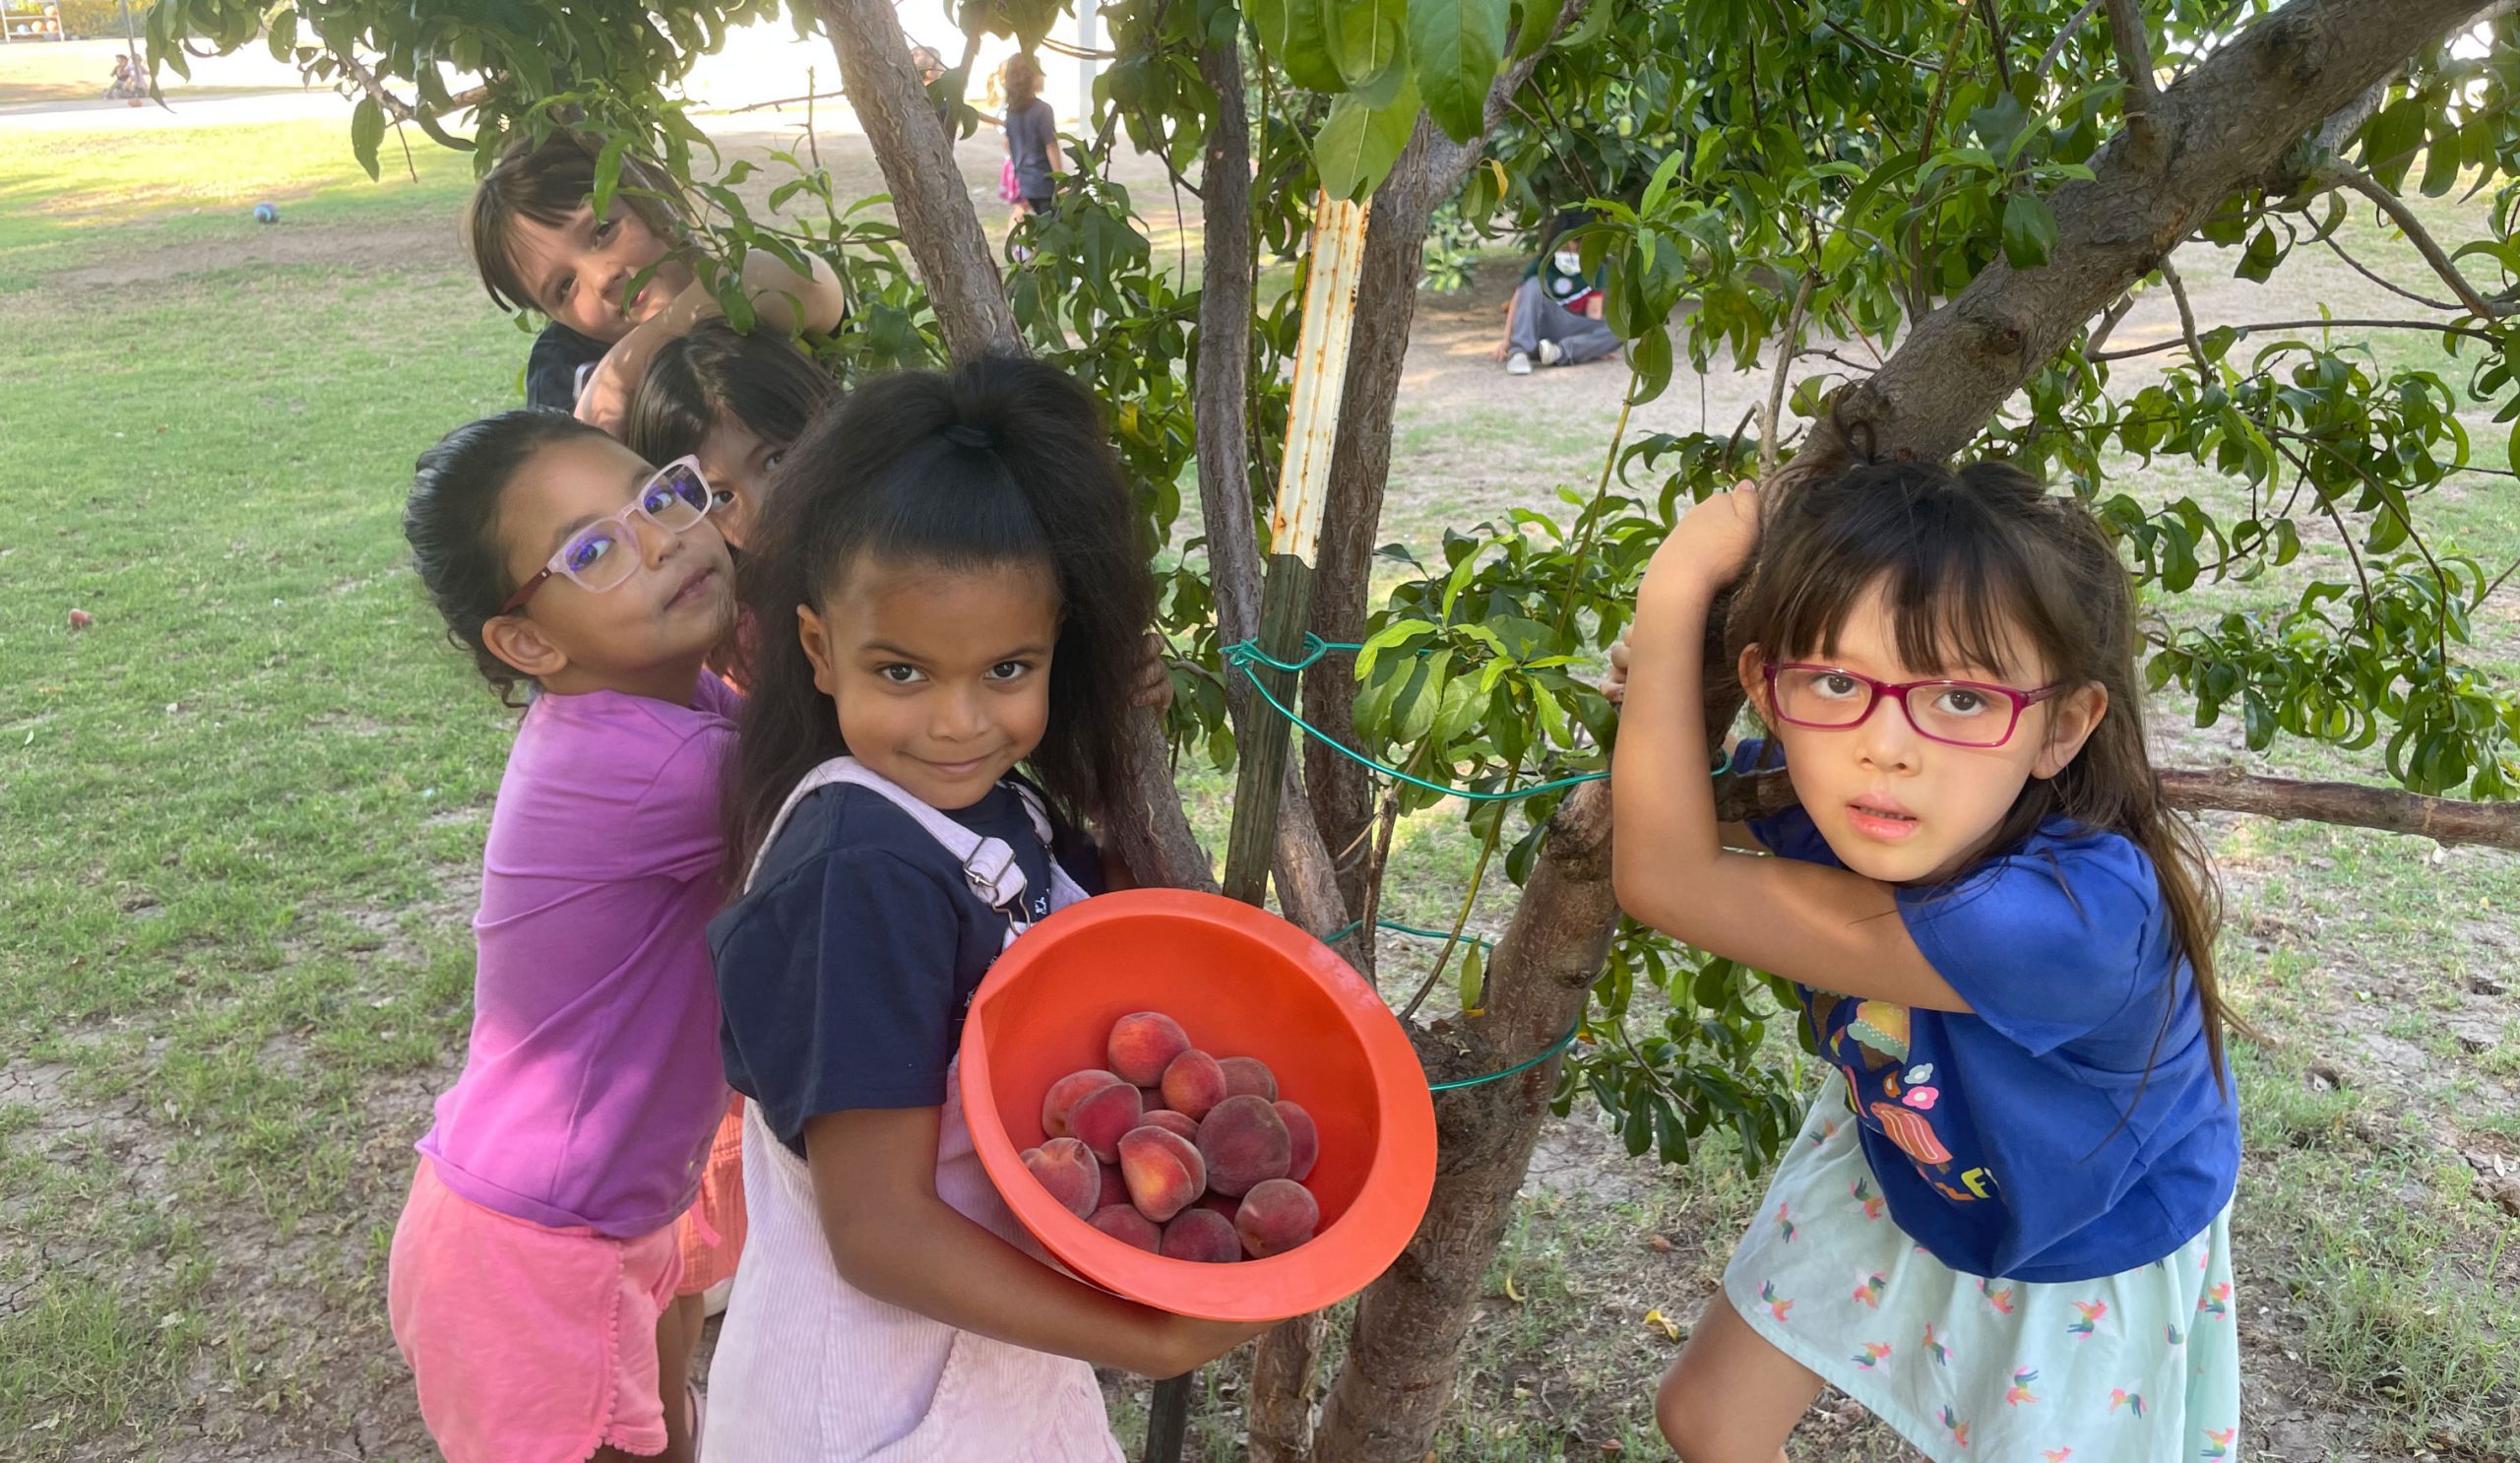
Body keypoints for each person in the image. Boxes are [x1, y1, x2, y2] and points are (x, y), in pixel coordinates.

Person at [1612, 457, 2240, 1462]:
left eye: (1958, 698)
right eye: (1834, 680)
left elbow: (1667, 875)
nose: (1886, 748)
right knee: (1709, 1420)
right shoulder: (1834, 792)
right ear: (1767, 693)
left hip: (2086, 1237)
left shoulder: (2071, 922)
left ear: (2062, 725)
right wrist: (1658, 680)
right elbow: (1681, 798)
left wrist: (1678, 578)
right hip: (1915, 1147)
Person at [699, 359, 1268, 1459]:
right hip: (870, 1401)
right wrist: (1141, 1338)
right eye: (901, 671)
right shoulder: (858, 873)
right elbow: (879, 1234)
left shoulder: (984, 807)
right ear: (818, 649)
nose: (958, 721)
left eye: (1007, 667)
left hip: (988, 1366)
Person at [386, 412, 746, 1463]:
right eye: (592, 550)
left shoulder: (674, 702)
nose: (663, 537)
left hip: (581, 1219)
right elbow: (860, 765)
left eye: (660, 495)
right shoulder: (648, 771)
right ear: (531, 641)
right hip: (536, 1256)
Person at [465, 132, 848, 433]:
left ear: (656, 195)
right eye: (565, 287)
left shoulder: (736, 276)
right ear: (551, 315)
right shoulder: (565, 368)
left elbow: (807, 282)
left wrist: (621, 372)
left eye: (603, 230)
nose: (602, 277)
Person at [1495, 209, 1620, 376]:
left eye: (1577, 250)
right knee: (1532, 284)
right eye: (1564, 248)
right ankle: (1519, 353)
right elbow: (1519, 301)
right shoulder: (1542, 264)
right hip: (1541, 326)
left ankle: (1559, 353)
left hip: (1571, 330)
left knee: (1620, 329)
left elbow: (1593, 314)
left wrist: (1595, 345)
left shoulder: (1596, 269)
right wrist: (1506, 340)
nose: (1570, 255)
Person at [997, 53, 1064, 227]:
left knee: (1041, 226)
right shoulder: (1043, 110)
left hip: (1026, 183)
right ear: (1031, 77)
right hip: (1046, 183)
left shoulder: (1011, 112)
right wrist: (1061, 180)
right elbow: (1051, 145)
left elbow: (1008, 145)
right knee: (1056, 230)